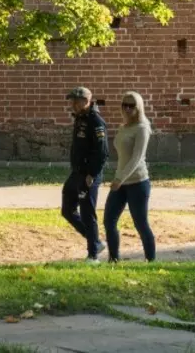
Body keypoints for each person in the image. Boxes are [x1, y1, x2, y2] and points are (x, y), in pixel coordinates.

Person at [104, 90, 156, 263]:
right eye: (124, 105)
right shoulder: (123, 127)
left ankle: (151, 261)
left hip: (138, 182)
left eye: (131, 106)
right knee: (109, 221)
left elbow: (137, 157)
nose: (127, 109)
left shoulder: (142, 128)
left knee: (140, 224)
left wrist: (120, 179)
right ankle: (113, 259)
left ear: (139, 107)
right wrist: (118, 177)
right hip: (120, 182)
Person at [62, 86, 108, 262]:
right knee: (67, 210)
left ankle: (93, 255)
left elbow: (102, 152)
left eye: (75, 101)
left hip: (89, 175)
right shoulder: (80, 118)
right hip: (77, 172)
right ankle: (95, 241)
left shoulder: (96, 122)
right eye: (71, 100)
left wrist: (92, 174)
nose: (72, 104)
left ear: (86, 101)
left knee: (88, 213)